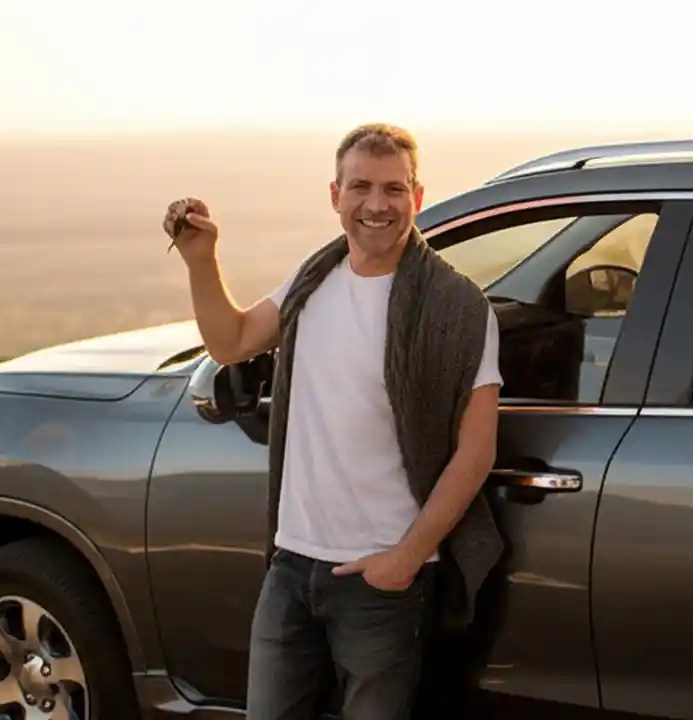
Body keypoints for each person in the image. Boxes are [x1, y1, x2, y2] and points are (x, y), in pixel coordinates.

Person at [162, 123, 503, 720]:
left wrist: (406, 558)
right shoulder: (313, 281)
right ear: (335, 196)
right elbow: (231, 341)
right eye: (361, 187)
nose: (377, 205)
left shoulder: (458, 308)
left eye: (394, 189)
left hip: (384, 580)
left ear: (417, 197)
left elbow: (475, 452)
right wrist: (201, 260)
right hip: (292, 566)